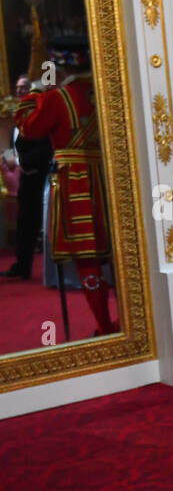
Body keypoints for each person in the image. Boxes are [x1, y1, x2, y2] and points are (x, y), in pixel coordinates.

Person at [12, 36, 116, 334]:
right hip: (107, 180)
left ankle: (104, 324)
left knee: (87, 257)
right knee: (114, 253)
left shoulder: (58, 97)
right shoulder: (102, 92)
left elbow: (28, 125)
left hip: (77, 183)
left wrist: (34, 91)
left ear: (58, 68)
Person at [2, 76, 52, 281]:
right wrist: (10, 157)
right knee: (25, 223)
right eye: (18, 88)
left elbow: (45, 151)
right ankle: (22, 265)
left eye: (25, 88)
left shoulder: (45, 121)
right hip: (27, 179)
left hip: (44, 179)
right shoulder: (22, 121)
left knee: (41, 223)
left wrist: (18, 160)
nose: (21, 92)